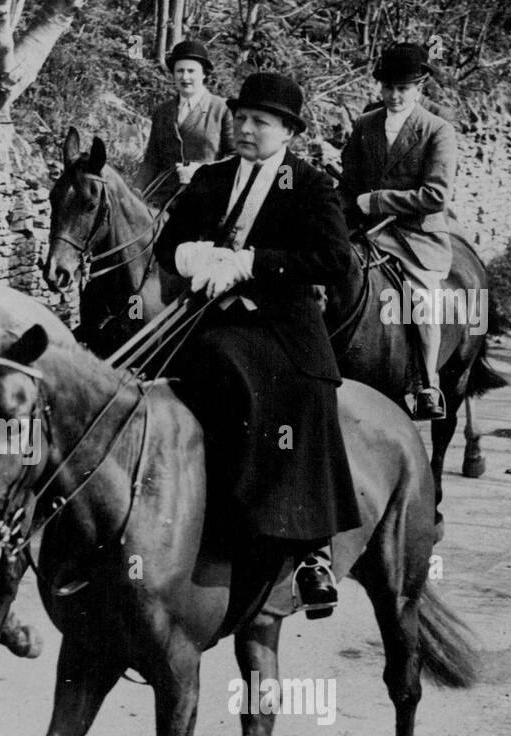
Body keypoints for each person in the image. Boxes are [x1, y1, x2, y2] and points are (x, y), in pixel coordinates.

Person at [154, 72, 362, 617]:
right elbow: (168, 244)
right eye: (240, 118)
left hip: (279, 323)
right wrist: (195, 258)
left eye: (259, 122)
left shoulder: (311, 185)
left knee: (302, 393)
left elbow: (334, 262)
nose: (245, 129)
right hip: (205, 316)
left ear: (288, 131)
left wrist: (253, 262)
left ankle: (311, 550)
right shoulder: (210, 177)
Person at [340, 42, 457, 420]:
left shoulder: (438, 130)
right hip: (364, 229)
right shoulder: (364, 125)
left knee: (422, 303)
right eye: (388, 87)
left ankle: (428, 384)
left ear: (419, 86)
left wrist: (376, 201)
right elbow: (348, 182)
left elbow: (435, 195)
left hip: (415, 235)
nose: (393, 96)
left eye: (402, 89)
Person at [131, 40, 234, 210]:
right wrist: (135, 192)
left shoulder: (222, 109)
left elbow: (236, 157)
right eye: (180, 71)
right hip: (162, 196)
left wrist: (202, 170)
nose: (185, 77)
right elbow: (152, 160)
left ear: (203, 74)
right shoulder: (162, 111)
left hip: (205, 197)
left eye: (191, 71)